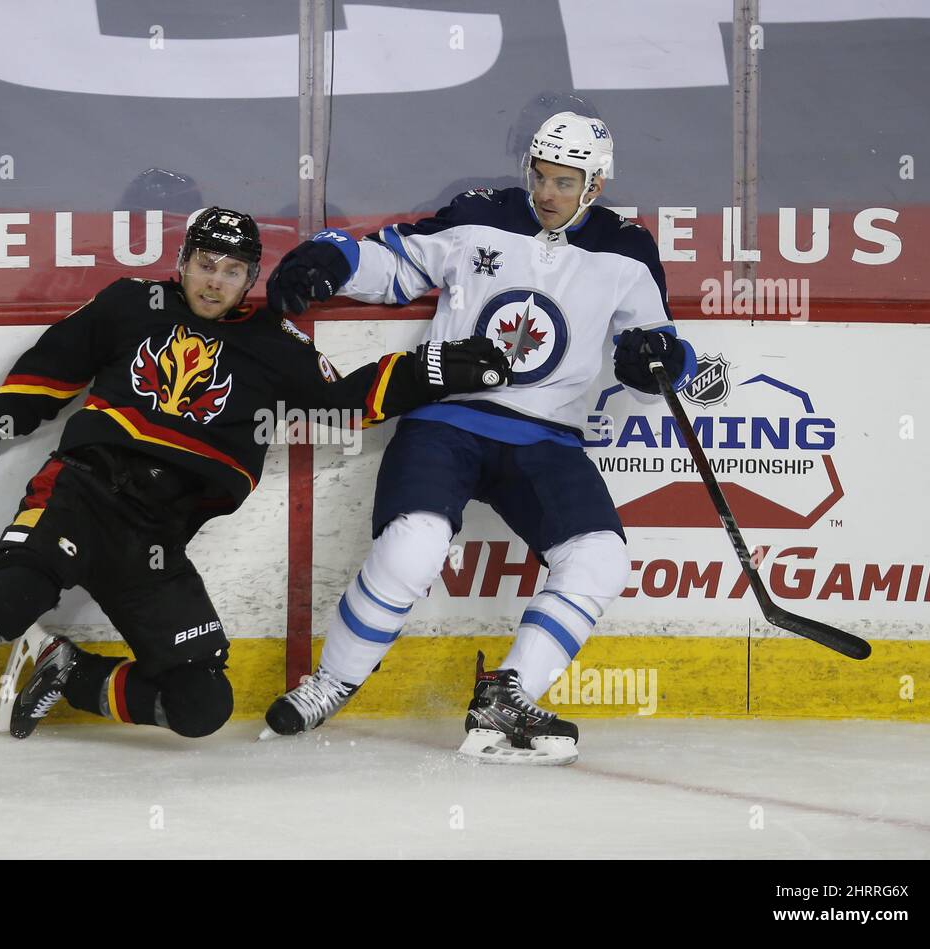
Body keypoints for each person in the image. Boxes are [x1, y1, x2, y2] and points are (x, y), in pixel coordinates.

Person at [0, 207, 509, 757]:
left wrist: (434, 371)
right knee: (12, 594)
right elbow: (43, 383)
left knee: (201, 705)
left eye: (233, 271)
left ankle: (65, 670)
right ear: (182, 264)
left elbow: (346, 405)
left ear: (250, 281)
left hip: (157, 537)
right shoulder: (132, 305)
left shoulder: (276, 347)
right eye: (205, 265)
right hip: (82, 491)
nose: (215, 282)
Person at [260, 112, 697, 764]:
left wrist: (658, 359)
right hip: (447, 419)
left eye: (564, 181)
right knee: (415, 547)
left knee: (601, 557)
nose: (546, 192)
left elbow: (659, 352)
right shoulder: (479, 213)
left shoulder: (627, 249)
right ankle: (333, 680)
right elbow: (399, 263)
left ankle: (508, 695)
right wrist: (336, 256)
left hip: (549, 440)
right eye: (540, 175)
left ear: (595, 185)